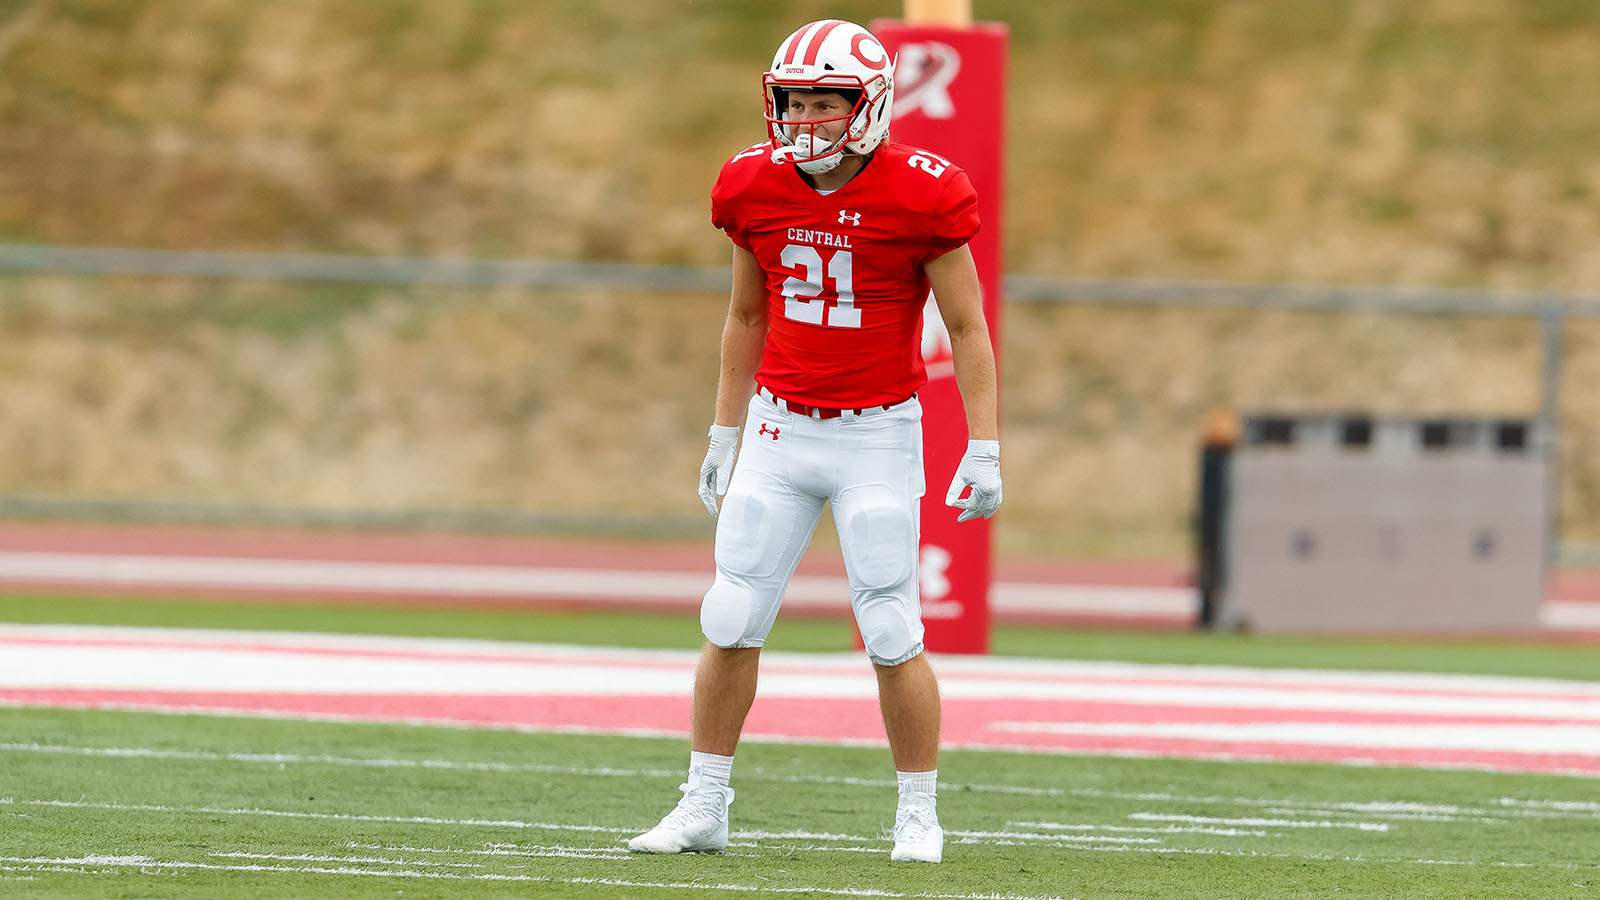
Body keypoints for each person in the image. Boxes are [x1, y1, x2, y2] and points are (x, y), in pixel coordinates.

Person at [628, 18, 1001, 864]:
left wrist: (984, 444)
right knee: (730, 615)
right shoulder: (752, 183)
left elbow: (968, 328)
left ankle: (917, 812)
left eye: (825, 103)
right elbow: (746, 313)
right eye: (793, 101)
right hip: (777, 425)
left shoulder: (924, 190)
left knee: (890, 626)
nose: (804, 120)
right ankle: (705, 803)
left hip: (877, 431)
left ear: (868, 106)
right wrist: (724, 430)